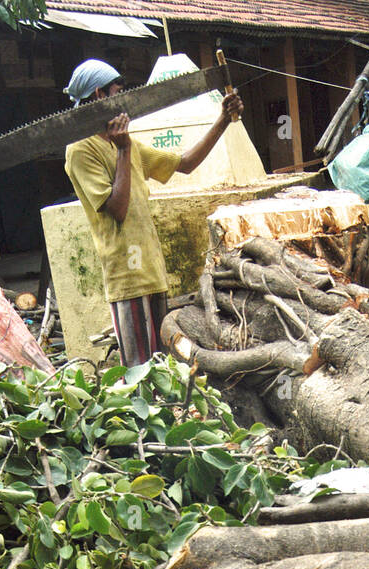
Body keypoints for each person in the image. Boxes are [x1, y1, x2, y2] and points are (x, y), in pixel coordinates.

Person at [63, 59, 244, 367]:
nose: (124, 100)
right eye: (118, 92)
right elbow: (117, 209)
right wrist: (122, 150)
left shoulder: (125, 144)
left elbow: (185, 163)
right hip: (127, 276)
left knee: (164, 366)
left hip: (151, 270)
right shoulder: (81, 150)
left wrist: (223, 120)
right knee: (140, 373)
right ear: (99, 95)